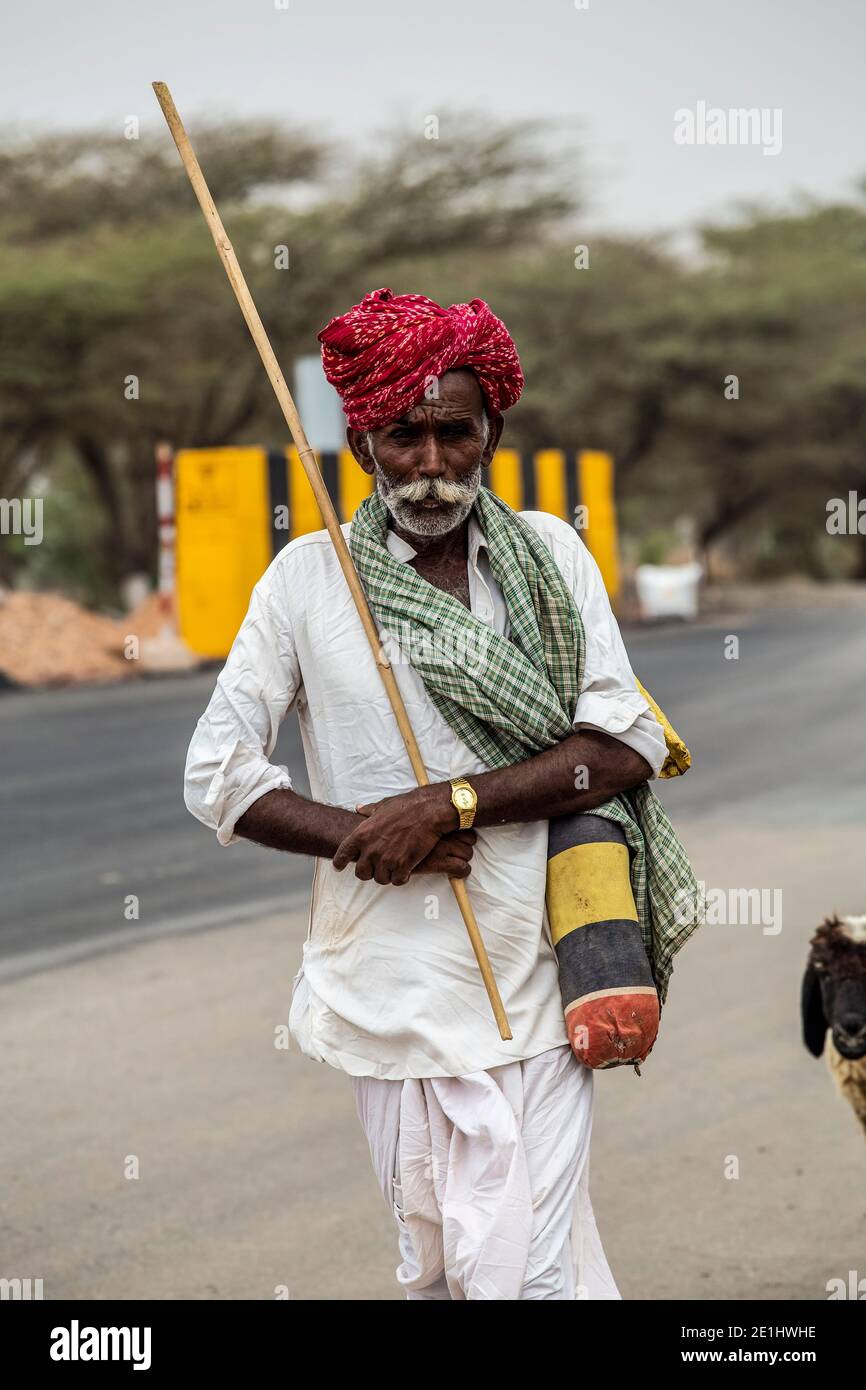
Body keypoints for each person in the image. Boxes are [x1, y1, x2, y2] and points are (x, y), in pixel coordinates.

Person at [184, 288, 676, 1300]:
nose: (429, 465)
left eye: (453, 434)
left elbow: (622, 739)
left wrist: (447, 805)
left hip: (536, 964)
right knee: (438, 1267)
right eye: (401, 436)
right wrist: (357, 832)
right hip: (388, 987)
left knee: (529, 1273)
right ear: (358, 441)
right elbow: (218, 775)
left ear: (489, 428)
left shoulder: (549, 556)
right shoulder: (307, 581)